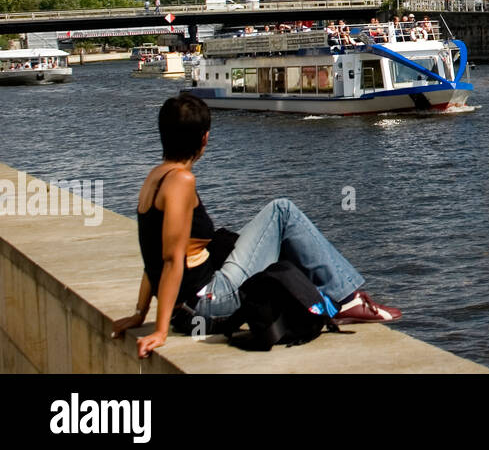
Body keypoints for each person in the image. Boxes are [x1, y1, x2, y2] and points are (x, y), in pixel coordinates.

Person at [113, 94, 400, 359]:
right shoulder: (181, 182)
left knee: (255, 230)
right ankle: (347, 299)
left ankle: (328, 296)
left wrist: (141, 313)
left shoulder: (154, 179)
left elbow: (152, 254)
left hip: (187, 307)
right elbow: (171, 258)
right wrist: (160, 331)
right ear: (205, 139)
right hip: (208, 303)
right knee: (282, 210)